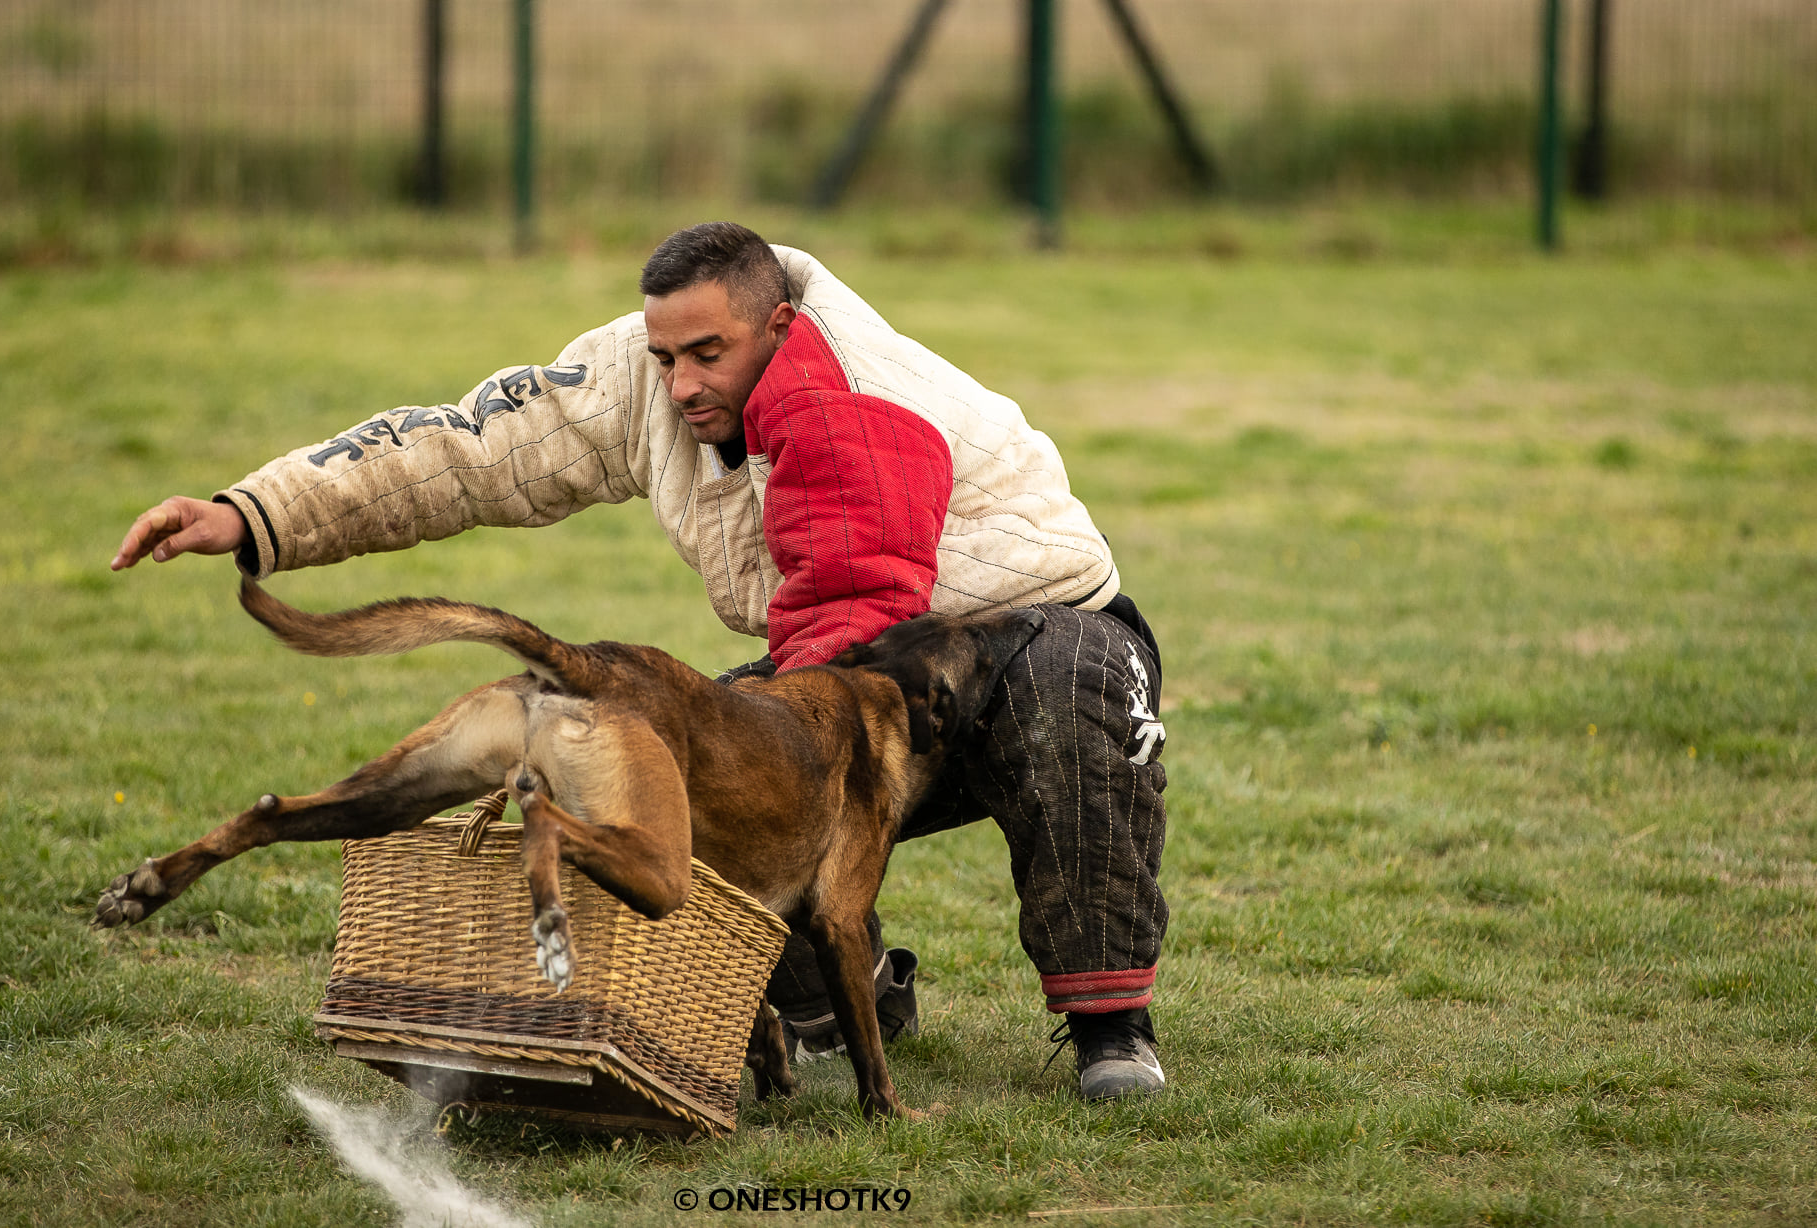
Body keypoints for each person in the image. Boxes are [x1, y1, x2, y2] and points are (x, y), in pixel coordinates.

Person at [111, 222, 1171, 1100]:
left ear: (778, 327)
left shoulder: (847, 406)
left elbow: (851, 637)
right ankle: (824, 1000)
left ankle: (1109, 1025)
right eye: (664, 357)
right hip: (849, 663)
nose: (677, 384)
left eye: (705, 355)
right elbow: (467, 448)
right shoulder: (651, 366)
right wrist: (253, 515)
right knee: (701, 744)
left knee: (1055, 706)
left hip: (1030, 635)